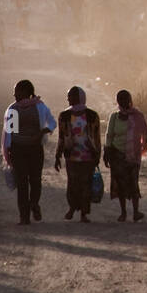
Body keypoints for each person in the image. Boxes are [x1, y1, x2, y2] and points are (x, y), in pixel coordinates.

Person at [2, 79, 56, 225]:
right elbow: (10, 132)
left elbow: (52, 122)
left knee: (35, 181)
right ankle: (24, 216)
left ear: (26, 92)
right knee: (22, 183)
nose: (14, 94)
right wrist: (9, 151)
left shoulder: (40, 107)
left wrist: (44, 131)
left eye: (17, 91)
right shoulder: (13, 109)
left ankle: (34, 204)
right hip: (18, 150)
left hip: (35, 149)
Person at [104, 89, 147, 222]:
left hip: (133, 155)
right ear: (118, 101)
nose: (123, 102)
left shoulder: (138, 116)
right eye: (120, 99)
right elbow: (109, 136)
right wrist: (106, 153)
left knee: (133, 183)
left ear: (130, 100)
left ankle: (136, 212)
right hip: (117, 154)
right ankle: (123, 212)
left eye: (125, 99)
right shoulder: (114, 117)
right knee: (120, 184)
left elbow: (146, 134)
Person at [55, 86, 100, 222]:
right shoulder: (64, 116)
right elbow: (61, 138)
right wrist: (58, 155)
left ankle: (83, 213)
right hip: (72, 155)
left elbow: (97, 138)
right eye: (69, 96)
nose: (68, 99)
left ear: (80, 97)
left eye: (72, 96)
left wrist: (97, 155)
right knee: (73, 184)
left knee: (86, 185)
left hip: (88, 156)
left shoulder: (92, 116)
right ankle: (73, 207)